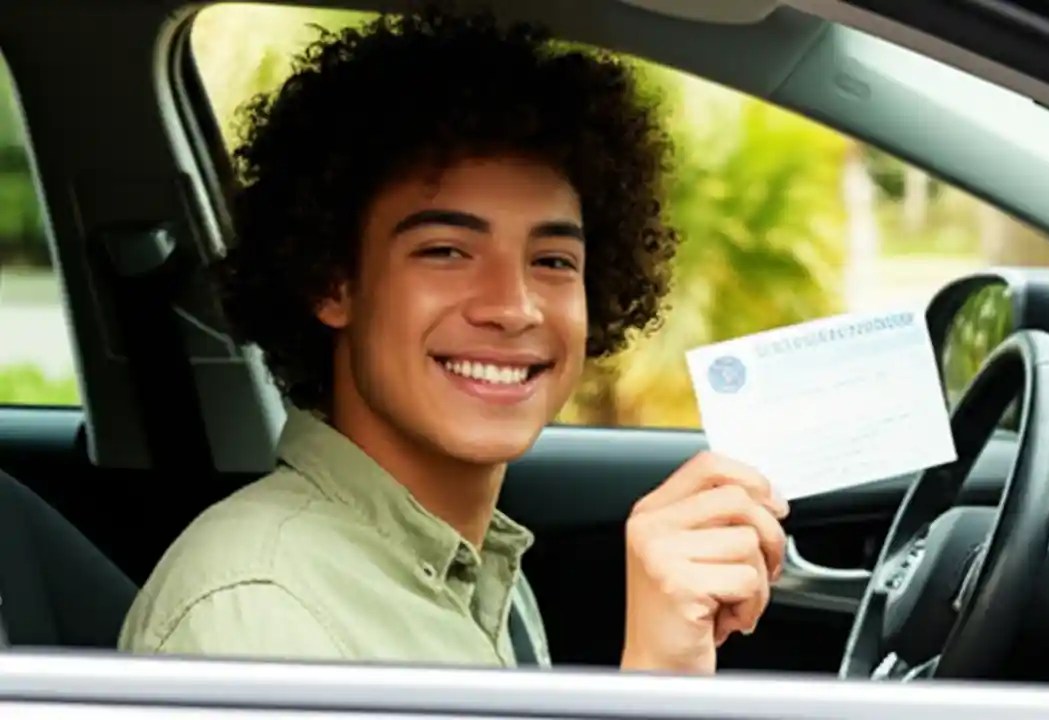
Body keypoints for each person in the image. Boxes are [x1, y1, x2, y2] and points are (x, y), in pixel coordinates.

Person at [118, 6, 787, 674]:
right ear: (331, 283)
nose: (513, 307)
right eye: (445, 251)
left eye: (553, 260)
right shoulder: (260, 612)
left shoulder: (478, 567)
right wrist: (654, 679)